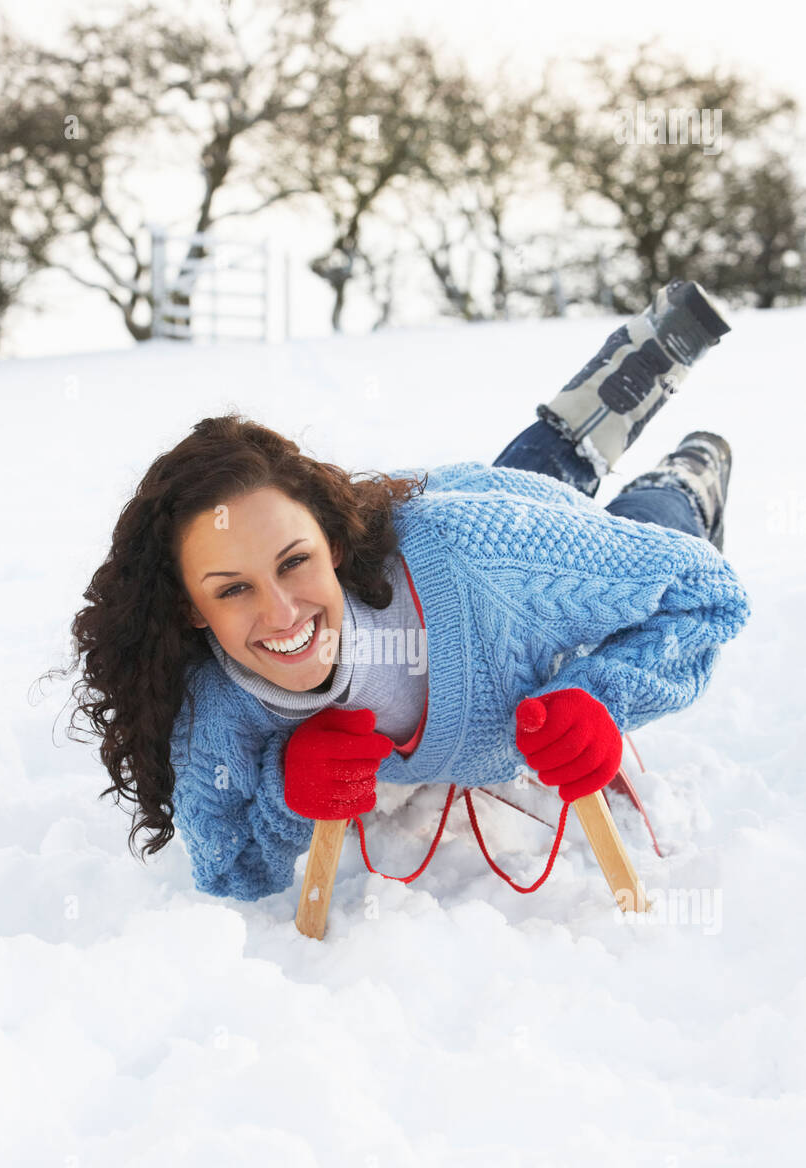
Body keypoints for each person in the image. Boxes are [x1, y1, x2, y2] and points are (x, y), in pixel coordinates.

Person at [57, 280, 751, 902]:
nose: (280, 614)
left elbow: (705, 593)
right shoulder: (222, 706)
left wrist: (601, 697)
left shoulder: (489, 553)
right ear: (189, 607)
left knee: (620, 523)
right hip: (463, 544)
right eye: (232, 589)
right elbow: (229, 869)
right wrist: (288, 788)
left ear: (329, 540)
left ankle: (686, 474)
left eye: (294, 562)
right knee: (529, 488)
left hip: (485, 548)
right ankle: (578, 428)